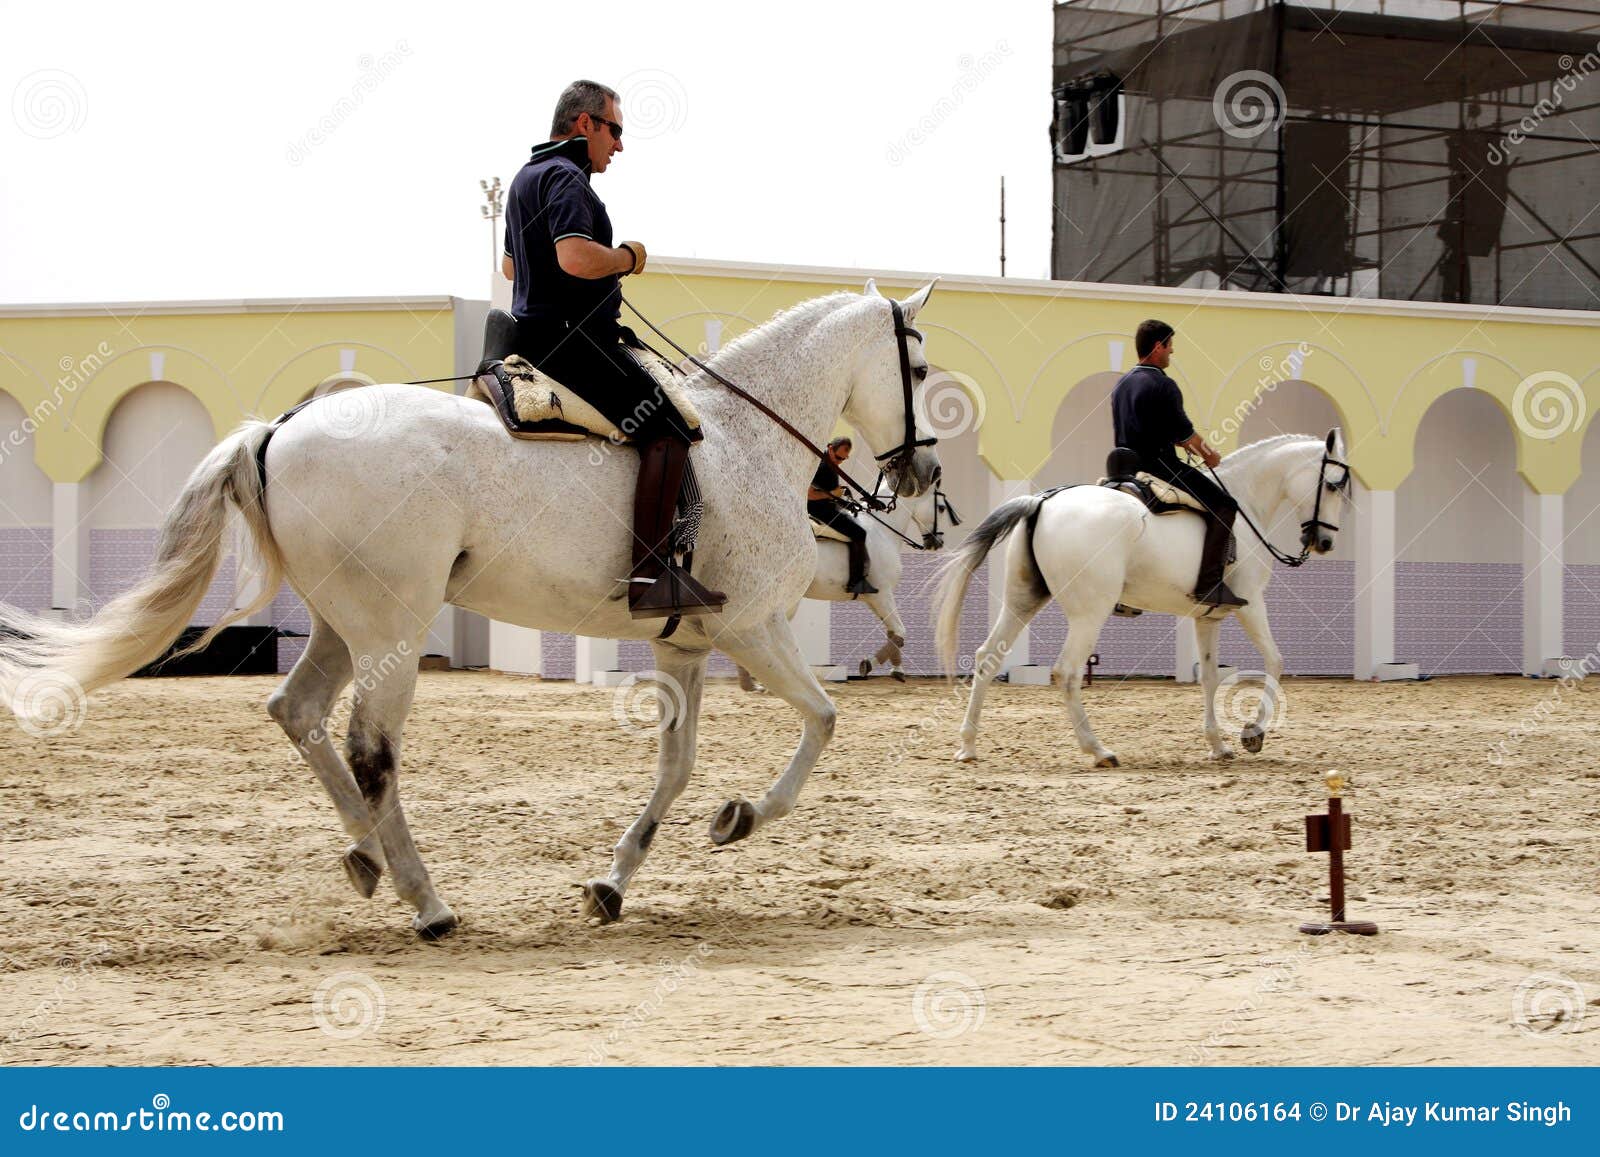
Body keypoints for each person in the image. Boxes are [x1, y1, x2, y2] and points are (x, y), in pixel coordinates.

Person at [498, 79, 724, 620]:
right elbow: (575, 259)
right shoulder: (567, 177)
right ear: (585, 124)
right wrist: (627, 257)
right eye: (614, 131)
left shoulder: (525, 178)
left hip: (531, 335)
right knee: (668, 426)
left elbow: (511, 267)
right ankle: (651, 575)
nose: (617, 146)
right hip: (571, 342)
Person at [1109, 320, 1247, 609]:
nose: (1172, 352)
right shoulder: (1162, 384)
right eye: (1170, 346)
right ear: (1158, 346)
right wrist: (1210, 455)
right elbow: (1186, 435)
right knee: (1226, 507)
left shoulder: (1121, 384)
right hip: (1160, 467)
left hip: (1124, 469)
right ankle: (1209, 584)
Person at [807, 437, 876, 595]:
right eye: (838, 458)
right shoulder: (823, 465)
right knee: (859, 533)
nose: (840, 462)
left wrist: (842, 497)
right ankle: (856, 582)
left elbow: (828, 491)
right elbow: (810, 495)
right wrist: (833, 494)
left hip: (828, 507)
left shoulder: (829, 463)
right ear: (830, 448)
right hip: (820, 510)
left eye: (844, 460)